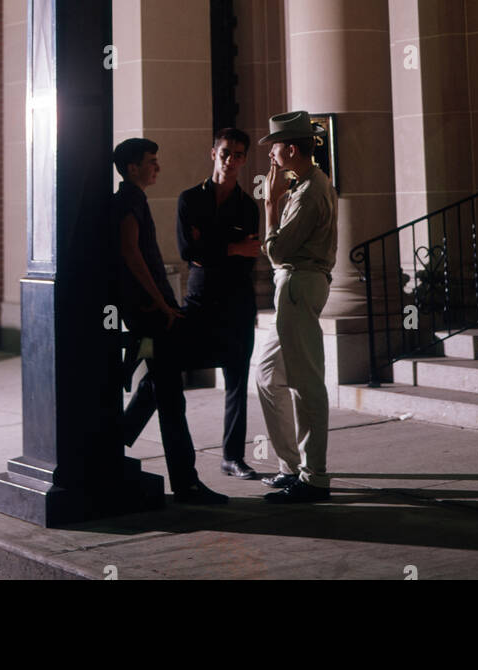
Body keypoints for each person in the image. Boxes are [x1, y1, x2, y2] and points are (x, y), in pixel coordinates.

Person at [112, 136, 227, 505]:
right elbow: (130, 253)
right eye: (151, 161)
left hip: (148, 315)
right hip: (149, 314)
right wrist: (162, 304)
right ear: (132, 168)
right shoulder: (129, 199)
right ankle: (186, 482)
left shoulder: (132, 197)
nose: (157, 167)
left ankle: (116, 438)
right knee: (171, 396)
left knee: (160, 381)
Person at [255, 110, 338, 504]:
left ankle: (314, 477)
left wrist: (270, 204)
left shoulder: (310, 191)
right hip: (292, 285)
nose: (270, 155)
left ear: (290, 149)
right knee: (269, 375)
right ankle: (291, 466)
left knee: (306, 383)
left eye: (274, 148)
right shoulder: (305, 184)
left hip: (299, 284)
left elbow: (277, 251)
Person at [176, 128, 261, 479]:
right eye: (226, 152)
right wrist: (231, 246)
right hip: (199, 300)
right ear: (214, 153)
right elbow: (188, 252)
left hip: (238, 301)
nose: (231, 160)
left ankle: (232, 457)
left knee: (237, 380)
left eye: (238, 155)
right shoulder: (189, 200)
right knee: (167, 367)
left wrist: (211, 247)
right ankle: (122, 434)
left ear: (244, 160)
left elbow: (251, 255)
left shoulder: (248, 206)